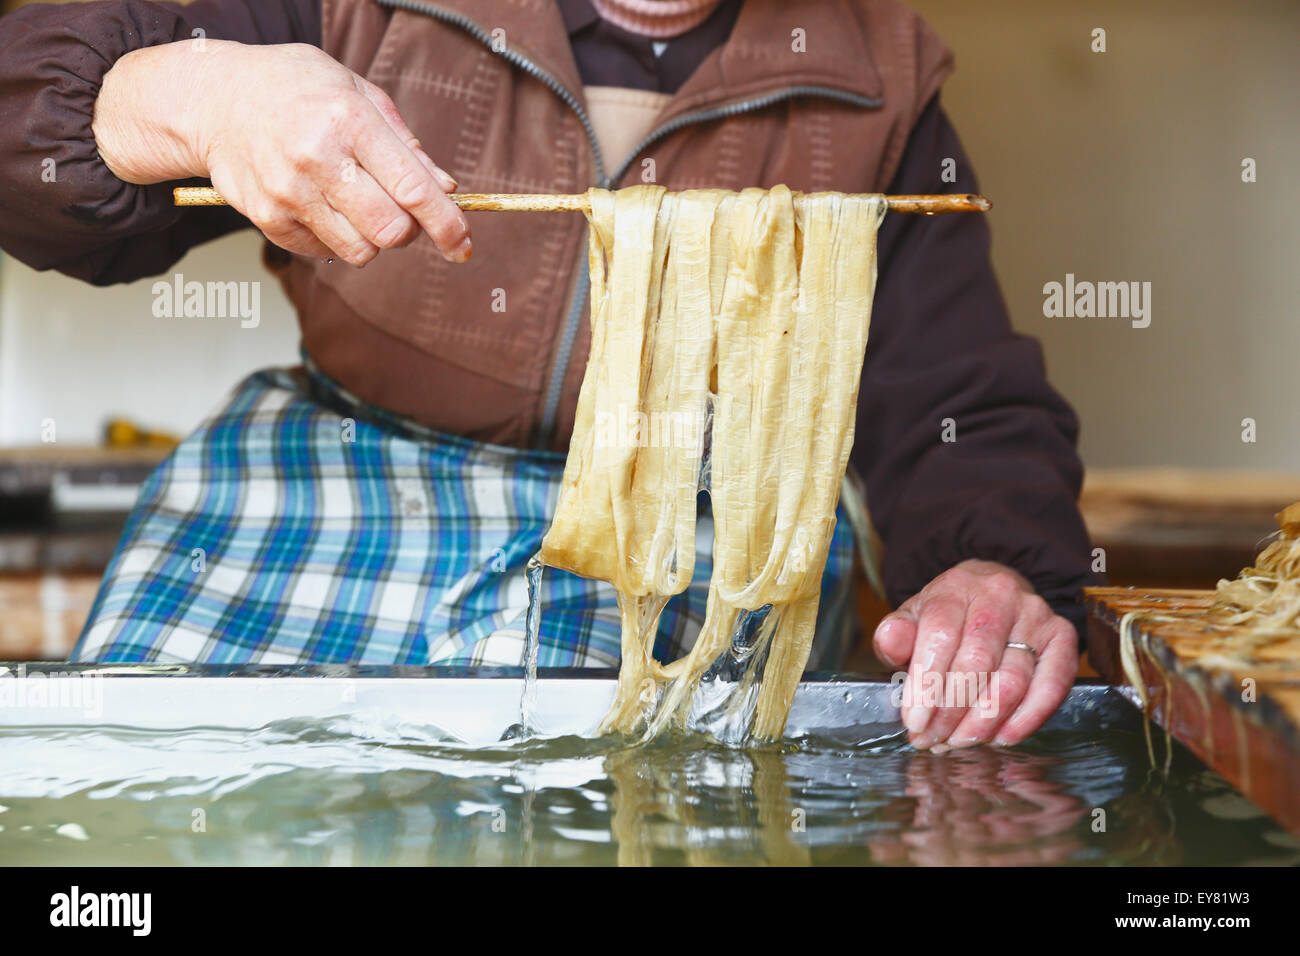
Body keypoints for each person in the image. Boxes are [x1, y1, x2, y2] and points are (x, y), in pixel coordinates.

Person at [0, 0, 1097, 750]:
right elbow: (28, 155)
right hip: (330, 471)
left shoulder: (881, 80)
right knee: (145, 771)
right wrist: (196, 92)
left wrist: (991, 563)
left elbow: (957, 401)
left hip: (692, 528)